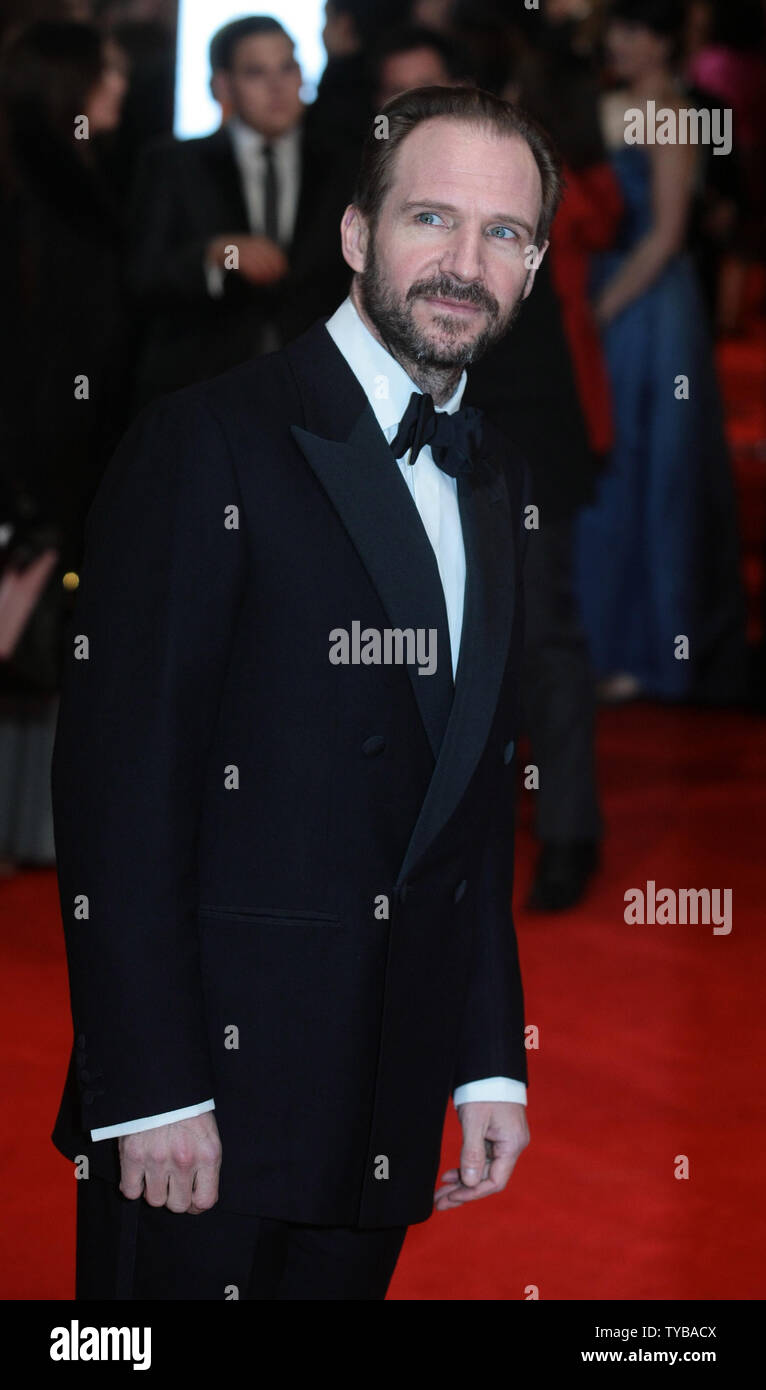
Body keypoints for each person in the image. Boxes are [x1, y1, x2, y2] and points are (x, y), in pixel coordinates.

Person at [50, 83, 561, 1300]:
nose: (462, 263)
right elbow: (120, 795)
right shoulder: (207, 443)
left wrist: (487, 1063)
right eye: (430, 218)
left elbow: (471, 810)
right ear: (354, 235)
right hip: (200, 1117)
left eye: (502, 234)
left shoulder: (499, 478)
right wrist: (155, 1084)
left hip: (380, 1095)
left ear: (534, 269)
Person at [370, 23, 604, 908]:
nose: (412, 113)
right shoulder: (376, 198)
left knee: (541, 642)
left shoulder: (504, 185)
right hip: (417, 442)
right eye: (396, 101)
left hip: (527, 443)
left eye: (427, 91)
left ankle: (569, 833)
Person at [574, 0, 747, 703]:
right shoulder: (607, 102)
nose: (625, 41)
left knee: (650, 467)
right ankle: (606, 640)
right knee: (610, 468)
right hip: (610, 286)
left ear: (666, 42)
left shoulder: (672, 113)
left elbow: (668, 233)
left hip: (649, 304)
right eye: (619, 28)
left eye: (639, 31)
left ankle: (650, 651)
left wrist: (600, 311)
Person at [0, 20, 129, 871]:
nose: (121, 86)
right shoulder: (35, 198)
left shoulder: (71, 183)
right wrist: (30, 501)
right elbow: (35, 350)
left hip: (54, 470)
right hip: (30, 477)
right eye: (107, 74)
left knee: (31, 654)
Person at [129, 15, 354, 406]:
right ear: (222, 85)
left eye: (288, 67)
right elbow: (140, 276)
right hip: (200, 391)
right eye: (255, 72)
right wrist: (213, 255)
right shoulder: (172, 163)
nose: (277, 87)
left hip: (318, 392)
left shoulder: (347, 164)